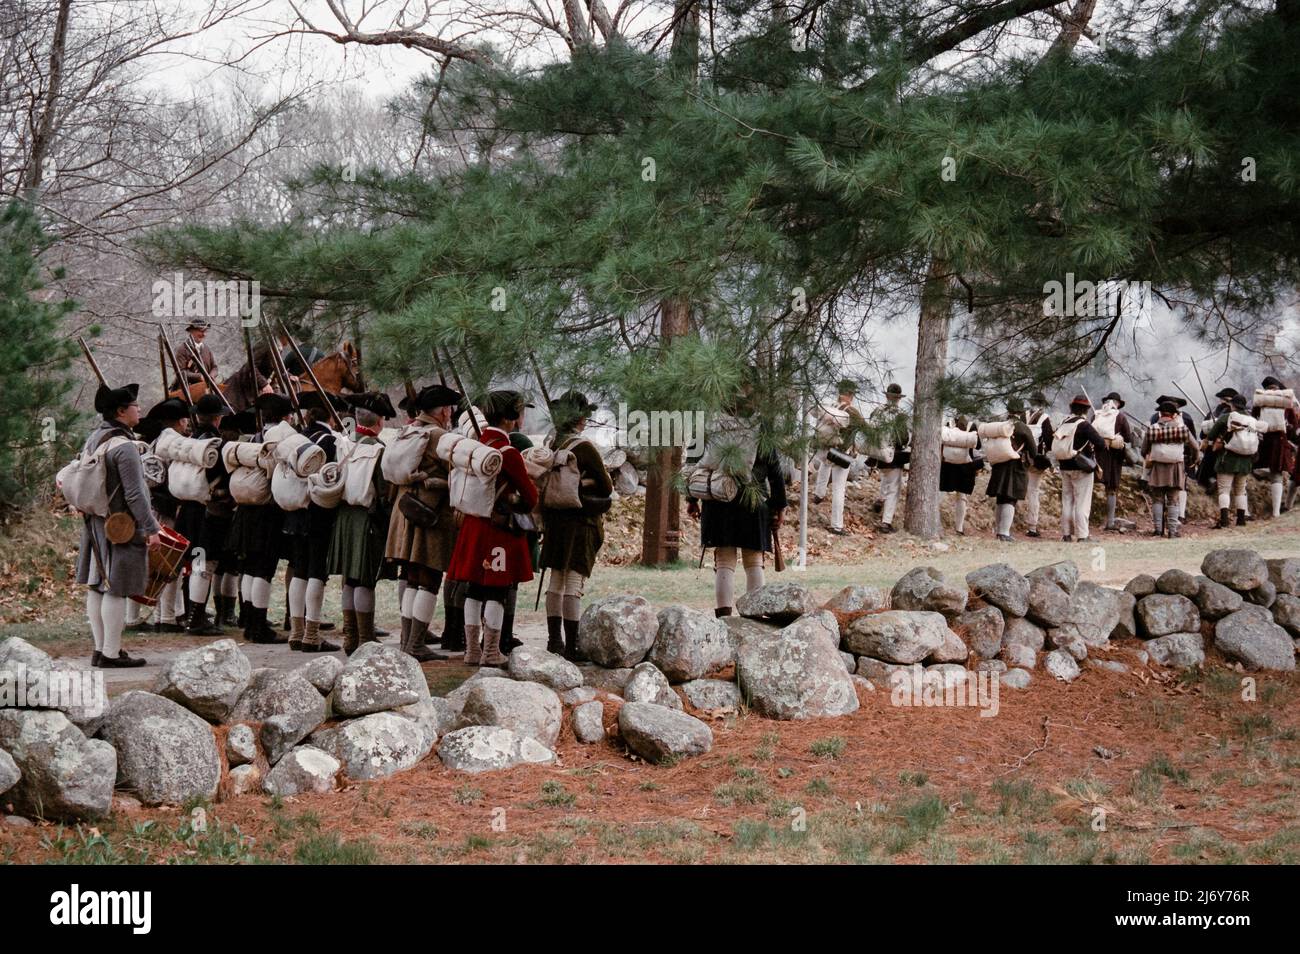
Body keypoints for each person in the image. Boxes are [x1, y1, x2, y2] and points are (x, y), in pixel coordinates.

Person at [446, 390, 540, 666]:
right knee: (497, 591)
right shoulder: (508, 453)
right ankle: (489, 651)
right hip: (497, 529)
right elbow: (531, 497)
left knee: (474, 589)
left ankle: (472, 650)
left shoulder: (475, 445)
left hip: (472, 525)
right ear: (511, 417)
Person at [75, 383, 159, 669]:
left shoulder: (93, 438)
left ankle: (101, 650)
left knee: (97, 586)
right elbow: (135, 494)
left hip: (95, 522)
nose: (139, 410)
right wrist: (151, 528)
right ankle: (111, 653)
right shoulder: (124, 447)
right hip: (120, 525)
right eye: (135, 406)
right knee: (116, 589)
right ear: (122, 412)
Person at [687, 391, 788, 617]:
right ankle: (754, 618)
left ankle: (724, 618)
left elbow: (693, 461)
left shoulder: (709, 420)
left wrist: (692, 497)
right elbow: (774, 468)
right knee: (754, 560)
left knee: (723, 560)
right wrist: (779, 505)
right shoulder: (761, 424)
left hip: (716, 497)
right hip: (753, 498)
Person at [383, 384, 462, 662]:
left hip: (405, 510)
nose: (451, 412)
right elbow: (456, 474)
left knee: (413, 578)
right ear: (443, 410)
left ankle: (408, 640)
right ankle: (415, 643)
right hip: (430, 513)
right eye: (450, 408)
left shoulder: (408, 430)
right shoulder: (438, 436)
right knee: (428, 580)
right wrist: (442, 482)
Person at [539, 390, 614, 659]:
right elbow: (606, 486)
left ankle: (553, 641)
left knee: (555, 580)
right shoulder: (583, 447)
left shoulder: (552, 443)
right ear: (579, 418)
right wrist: (590, 482)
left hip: (555, 521)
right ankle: (572, 646)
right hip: (581, 522)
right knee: (573, 582)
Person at [327, 405, 391, 655]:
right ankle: (364, 637)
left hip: (344, 515)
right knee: (364, 580)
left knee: (349, 580)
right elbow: (383, 492)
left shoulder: (343, 444)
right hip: (365, 517)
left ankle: (350, 636)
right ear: (380, 422)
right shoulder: (378, 450)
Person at [230, 392, 292, 644]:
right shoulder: (280, 441)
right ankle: (258, 627)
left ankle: (249, 620)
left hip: (246, 511)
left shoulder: (253, 439)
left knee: (250, 569)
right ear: (286, 417)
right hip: (266, 512)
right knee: (263, 571)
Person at [284, 397, 344, 653]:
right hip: (319, 512)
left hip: (296, 511)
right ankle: (311, 634)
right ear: (331, 416)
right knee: (317, 572)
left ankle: (296, 633)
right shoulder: (330, 441)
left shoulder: (298, 437)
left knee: (299, 569)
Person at [138, 398, 192, 632]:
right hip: (168, 507)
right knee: (171, 563)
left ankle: (164, 614)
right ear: (181, 421)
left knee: (160, 562)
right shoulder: (175, 442)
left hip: (154, 506)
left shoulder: (158, 440)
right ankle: (167, 617)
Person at [183, 393, 231, 634]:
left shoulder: (190, 439)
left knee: (197, 562)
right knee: (206, 564)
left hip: (190, 509)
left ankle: (193, 614)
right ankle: (196, 617)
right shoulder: (215, 444)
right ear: (217, 419)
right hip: (208, 511)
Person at [811, 380, 866, 535]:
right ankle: (837, 525)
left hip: (824, 450)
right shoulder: (852, 412)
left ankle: (819, 494)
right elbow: (866, 429)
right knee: (839, 488)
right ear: (851, 394)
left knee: (825, 466)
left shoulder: (831, 407)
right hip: (840, 454)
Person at [1142, 400, 1201, 538]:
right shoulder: (1182, 429)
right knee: (1173, 499)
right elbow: (1195, 447)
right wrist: (1194, 459)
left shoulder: (1153, 429)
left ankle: (1158, 530)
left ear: (1160, 414)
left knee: (1157, 499)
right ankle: (1173, 532)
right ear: (1174, 415)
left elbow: (1143, 450)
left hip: (1157, 467)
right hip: (1176, 467)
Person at [1053, 395, 1108, 543]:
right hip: (1082, 466)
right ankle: (1083, 535)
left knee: (1067, 501)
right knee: (1082, 502)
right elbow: (1101, 444)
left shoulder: (1064, 423)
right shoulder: (1084, 425)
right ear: (1086, 409)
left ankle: (1066, 534)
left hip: (1064, 466)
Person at [983, 401, 1037, 542]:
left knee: (1001, 499)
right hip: (1015, 466)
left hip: (999, 465)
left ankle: (1000, 531)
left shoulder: (1001, 426)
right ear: (1021, 412)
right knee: (1010, 498)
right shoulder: (1022, 427)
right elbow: (1034, 450)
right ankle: (1004, 532)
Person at [1202, 393, 1257, 528]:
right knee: (1240, 490)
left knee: (1224, 490)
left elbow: (1211, 434)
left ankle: (1225, 520)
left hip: (1227, 459)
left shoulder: (1227, 417)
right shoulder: (1252, 420)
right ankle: (1241, 520)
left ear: (1233, 405)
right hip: (1245, 461)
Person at [866, 383, 909, 534]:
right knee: (894, 489)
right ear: (898, 398)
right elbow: (904, 438)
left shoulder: (877, 411)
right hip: (893, 454)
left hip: (877, 453)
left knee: (885, 477)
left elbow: (870, 431)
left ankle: (880, 499)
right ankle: (886, 522)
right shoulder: (901, 415)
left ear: (886, 396)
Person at [1254, 376, 1298, 518]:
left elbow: (1254, 419)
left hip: (1264, 440)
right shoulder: (1285, 402)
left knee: (1259, 470)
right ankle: (1276, 512)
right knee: (1277, 475)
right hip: (1280, 441)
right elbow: (1294, 426)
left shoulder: (1260, 402)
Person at [1095, 391, 1134, 532]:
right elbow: (1128, 437)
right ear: (1117, 403)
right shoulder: (1121, 417)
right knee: (1112, 489)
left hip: (1099, 455)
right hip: (1115, 457)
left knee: (1089, 487)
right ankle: (1110, 522)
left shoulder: (1096, 415)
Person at [939, 414, 981, 536]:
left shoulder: (948, 424)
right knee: (962, 498)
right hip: (965, 465)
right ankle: (959, 528)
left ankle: (936, 522)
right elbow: (978, 446)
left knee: (940, 493)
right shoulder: (972, 426)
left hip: (947, 464)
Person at [1022, 391, 1055, 537]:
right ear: (1042, 404)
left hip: (1020, 458)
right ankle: (1032, 526)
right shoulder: (1044, 418)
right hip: (1036, 460)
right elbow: (1049, 441)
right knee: (1033, 492)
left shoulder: (1023, 416)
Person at [1197, 387, 1237, 496]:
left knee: (1203, 475)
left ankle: (1209, 486)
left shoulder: (1212, 412)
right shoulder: (1238, 414)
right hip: (1229, 450)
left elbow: (1202, 434)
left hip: (1212, 449)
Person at [175, 320, 217, 389]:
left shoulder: (207, 349)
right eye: (201, 331)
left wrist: (211, 376)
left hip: (207, 386)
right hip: (187, 389)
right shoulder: (182, 349)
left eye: (205, 331)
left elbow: (215, 367)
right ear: (191, 331)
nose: (204, 334)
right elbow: (181, 372)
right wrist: (199, 376)